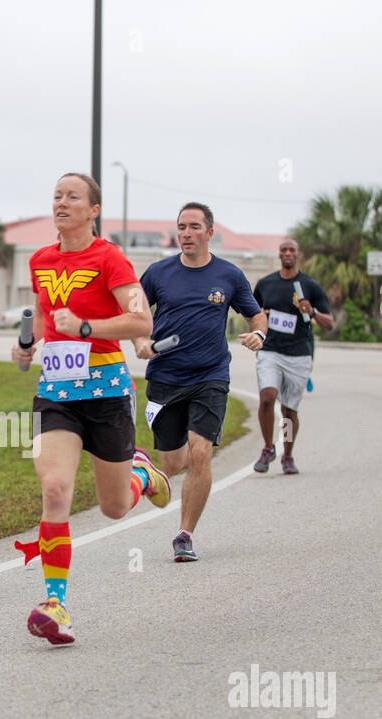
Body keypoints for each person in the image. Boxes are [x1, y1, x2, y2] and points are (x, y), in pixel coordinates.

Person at [11, 173, 170, 645]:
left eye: (72, 197)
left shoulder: (110, 258)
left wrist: (86, 328)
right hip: (55, 394)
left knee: (114, 508)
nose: (61, 203)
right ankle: (55, 603)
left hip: (105, 394)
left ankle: (141, 474)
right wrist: (27, 346)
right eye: (57, 196)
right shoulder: (40, 260)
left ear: (92, 209)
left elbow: (142, 319)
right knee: (55, 487)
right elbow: (41, 316)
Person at [132, 202, 266, 562]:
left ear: (209, 232)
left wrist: (259, 336)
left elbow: (256, 316)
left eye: (193, 227)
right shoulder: (159, 274)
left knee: (201, 451)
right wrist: (140, 343)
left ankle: (184, 535)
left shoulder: (229, 275)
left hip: (210, 375)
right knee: (172, 463)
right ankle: (146, 467)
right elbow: (135, 316)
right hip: (165, 377)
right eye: (181, 227)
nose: (186, 233)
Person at [250, 239, 333, 474]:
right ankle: (268, 448)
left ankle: (287, 455)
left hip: (298, 354)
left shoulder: (310, 286)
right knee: (267, 397)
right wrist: (261, 317)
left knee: (288, 411)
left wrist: (312, 310)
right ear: (279, 254)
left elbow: (329, 323)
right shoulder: (266, 285)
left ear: (298, 255)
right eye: (284, 250)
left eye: (292, 250)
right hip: (271, 351)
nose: (287, 253)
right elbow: (251, 314)